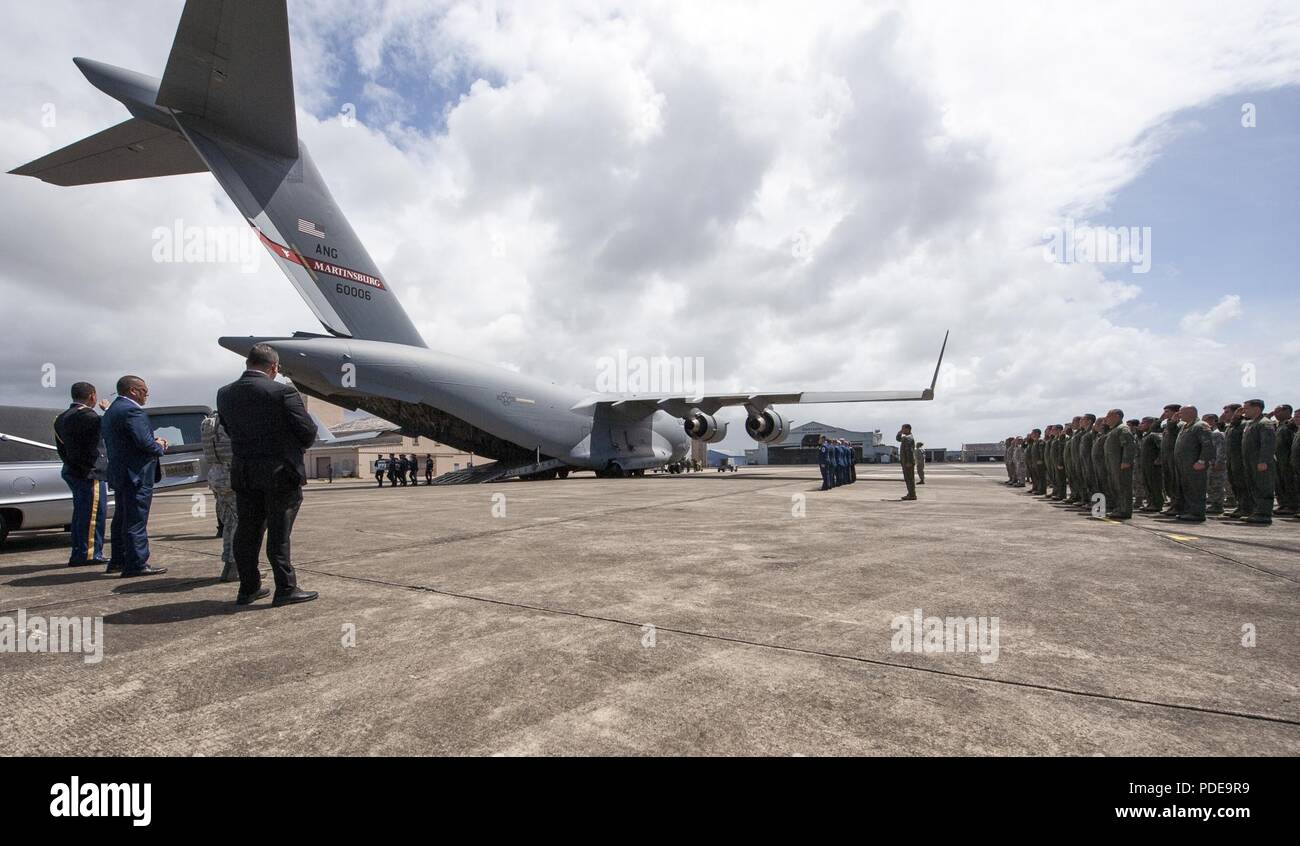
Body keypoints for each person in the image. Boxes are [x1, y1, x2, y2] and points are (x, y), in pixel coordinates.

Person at [216, 343, 319, 606]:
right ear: (274, 367)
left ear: (248, 363)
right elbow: (307, 431)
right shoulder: (283, 392)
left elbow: (227, 429)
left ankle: (248, 588)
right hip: (279, 473)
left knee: (247, 531)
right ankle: (285, 589)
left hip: (244, 472)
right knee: (278, 532)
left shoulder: (224, 394)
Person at [102, 375, 167, 577]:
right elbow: (144, 443)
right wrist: (159, 445)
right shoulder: (132, 411)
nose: (146, 395)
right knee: (136, 520)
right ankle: (136, 563)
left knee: (121, 518)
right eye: (144, 391)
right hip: (136, 474)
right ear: (133, 390)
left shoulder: (112, 411)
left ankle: (118, 560)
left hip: (121, 473)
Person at [52, 381, 108, 567]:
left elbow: (61, 448)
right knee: (92, 516)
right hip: (89, 471)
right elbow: (109, 429)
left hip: (72, 469)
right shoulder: (89, 416)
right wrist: (106, 411)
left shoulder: (60, 418)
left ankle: (79, 551)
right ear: (92, 396)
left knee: (80, 514)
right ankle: (88, 554)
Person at [201, 410, 239, 582]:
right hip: (232, 475)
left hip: (216, 475)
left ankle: (229, 565)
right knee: (239, 525)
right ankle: (235, 567)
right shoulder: (231, 422)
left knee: (229, 523)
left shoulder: (207, 423)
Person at [1171, 405, 1213, 522]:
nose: (1179, 415)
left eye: (1181, 413)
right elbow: (1170, 431)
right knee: (1186, 488)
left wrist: (1202, 460)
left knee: (1196, 488)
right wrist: (1173, 421)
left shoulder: (1201, 426)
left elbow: (1207, 445)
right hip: (1184, 464)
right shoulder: (1185, 426)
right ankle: (1188, 511)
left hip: (1195, 464)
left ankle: (1197, 513)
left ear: (1190, 413)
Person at [1239, 399, 1275, 525]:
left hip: (1261, 461)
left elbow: (1268, 444)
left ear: (1256, 409)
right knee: (1254, 487)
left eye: (1246, 408)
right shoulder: (1251, 423)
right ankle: (1257, 511)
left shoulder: (1265, 423)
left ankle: (1264, 514)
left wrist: (1263, 460)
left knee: (1263, 487)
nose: (1244, 411)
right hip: (1251, 461)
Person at [1102, 409, 1137, 519]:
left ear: (1117, 416)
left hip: (1121, 465)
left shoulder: (1123, 429)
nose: (1106, 418)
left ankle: (1124, 510)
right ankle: (1119, 508)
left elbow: (1129, 445)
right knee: (1116, 487)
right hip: (1113, 464)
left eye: (1108, 416)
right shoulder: (1114, 430)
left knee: (1123, 487)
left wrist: (1126, 461)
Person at [1222, 404, 1246, 518]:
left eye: (1227, 412)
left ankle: (1247, 508)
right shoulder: (1232, 426)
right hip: (1232, 460)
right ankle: (1241, 507)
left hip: (1241, 461)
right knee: (1235, 484)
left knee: (1243, 484)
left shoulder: (1244, 425)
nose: (1224, 414)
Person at [1158, 404, 1181, 516]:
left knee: (1175, 482)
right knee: (1169, 482)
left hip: (1175, 457)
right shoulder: (1168, 425)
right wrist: (1161, 420)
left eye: (1167, 411)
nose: (1164, 414)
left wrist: (1172, 422)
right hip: (1167, 457)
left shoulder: (1180, 424)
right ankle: (1173, 504)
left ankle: (1177, 506)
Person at [1272, 404, 1297, 515]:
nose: (1275, 414)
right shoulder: (1279, 425)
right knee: (1280, 483)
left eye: (1278, 411)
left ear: (1287, 411)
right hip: (1279, 460)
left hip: (1288, 460)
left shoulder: (1291, 426)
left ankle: (1292, 506)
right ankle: (1283, 504)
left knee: (1289, 483)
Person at [1202, 412, 1227, 515]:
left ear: (1212, 421)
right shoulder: (1209, 433)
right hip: (1209, 463)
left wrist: (1219, 462)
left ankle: (1217, 505)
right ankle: (1214, 503)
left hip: (1215, 463)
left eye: (1205, 420)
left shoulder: (1217, 434)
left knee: (1216, 484)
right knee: (1210, 484)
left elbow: (1221, 449)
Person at [1138, 417, 1163, 513]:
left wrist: (1159, 459)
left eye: (1143, 423)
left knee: (1154, 485)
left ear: (1150, 424)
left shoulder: (1154, 435)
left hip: (1153, 464)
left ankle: (1156, 504)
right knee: (1147, 484)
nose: (1141, 424)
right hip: (1145, 464)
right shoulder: (1146, 436)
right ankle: (1150, 503)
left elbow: (1161, 447)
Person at [898, 424, 917, 500]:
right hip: (906, 462)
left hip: (907, 462)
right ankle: (911, 493)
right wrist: (900, 432)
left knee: (909, 479)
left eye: (903, 428)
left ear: (907, 429)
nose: (902, 430)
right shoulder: (907, 437)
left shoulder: (908, 438)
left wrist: (909, 461)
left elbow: (909, 451)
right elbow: (898, 439)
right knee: (908, 478)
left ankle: (912, 495)